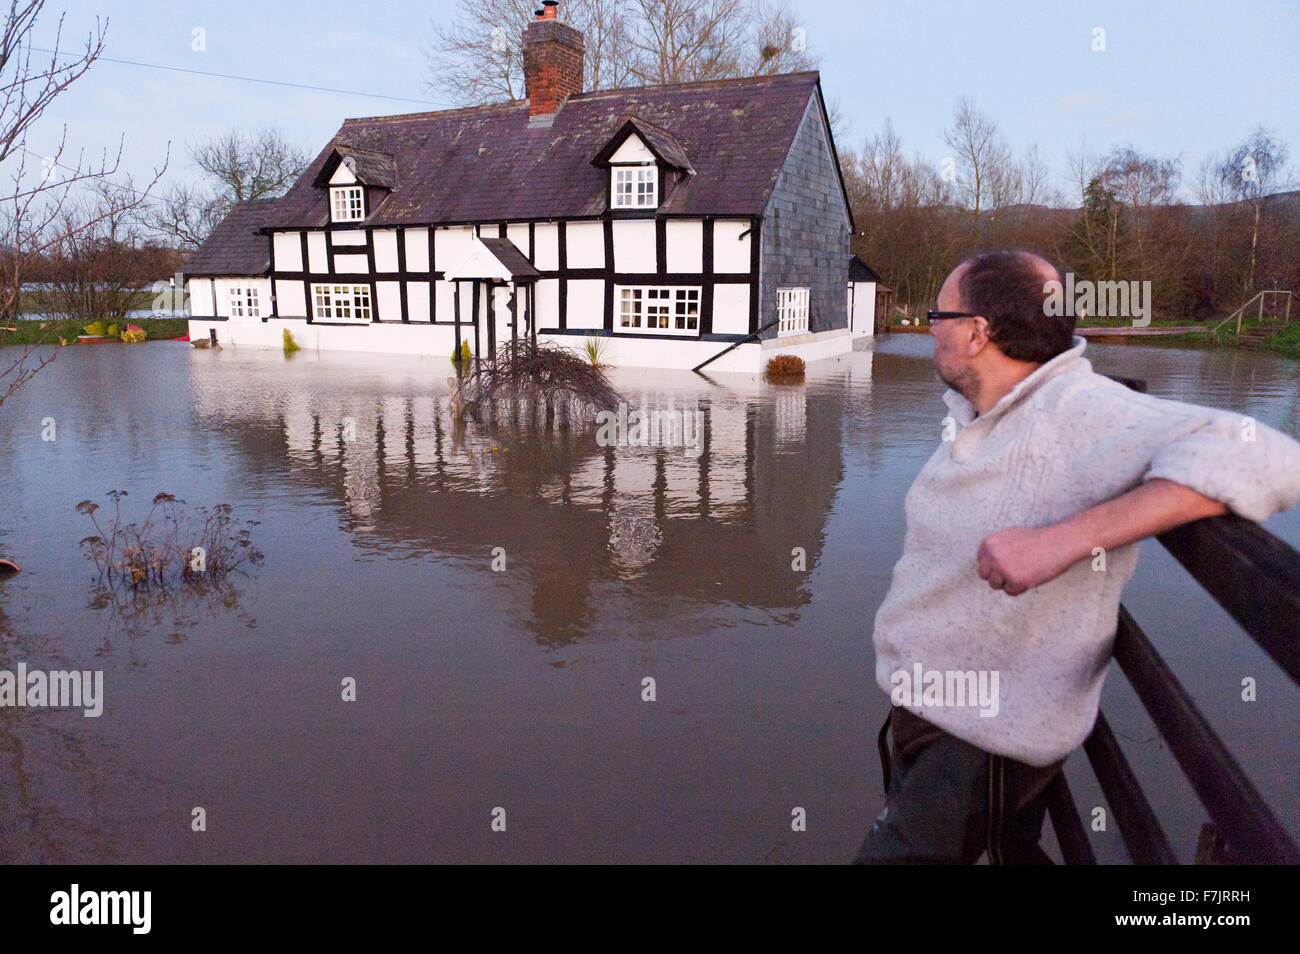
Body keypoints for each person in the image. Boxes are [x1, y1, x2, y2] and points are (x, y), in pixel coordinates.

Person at [853, 250, 1300, 864]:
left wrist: (1060, 542)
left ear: (977, 332)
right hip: (931, 722)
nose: (930, 328)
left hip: (976, 746)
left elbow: (1270, 457)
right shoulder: (991, 414)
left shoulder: (1076, 410)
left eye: (939, 314)